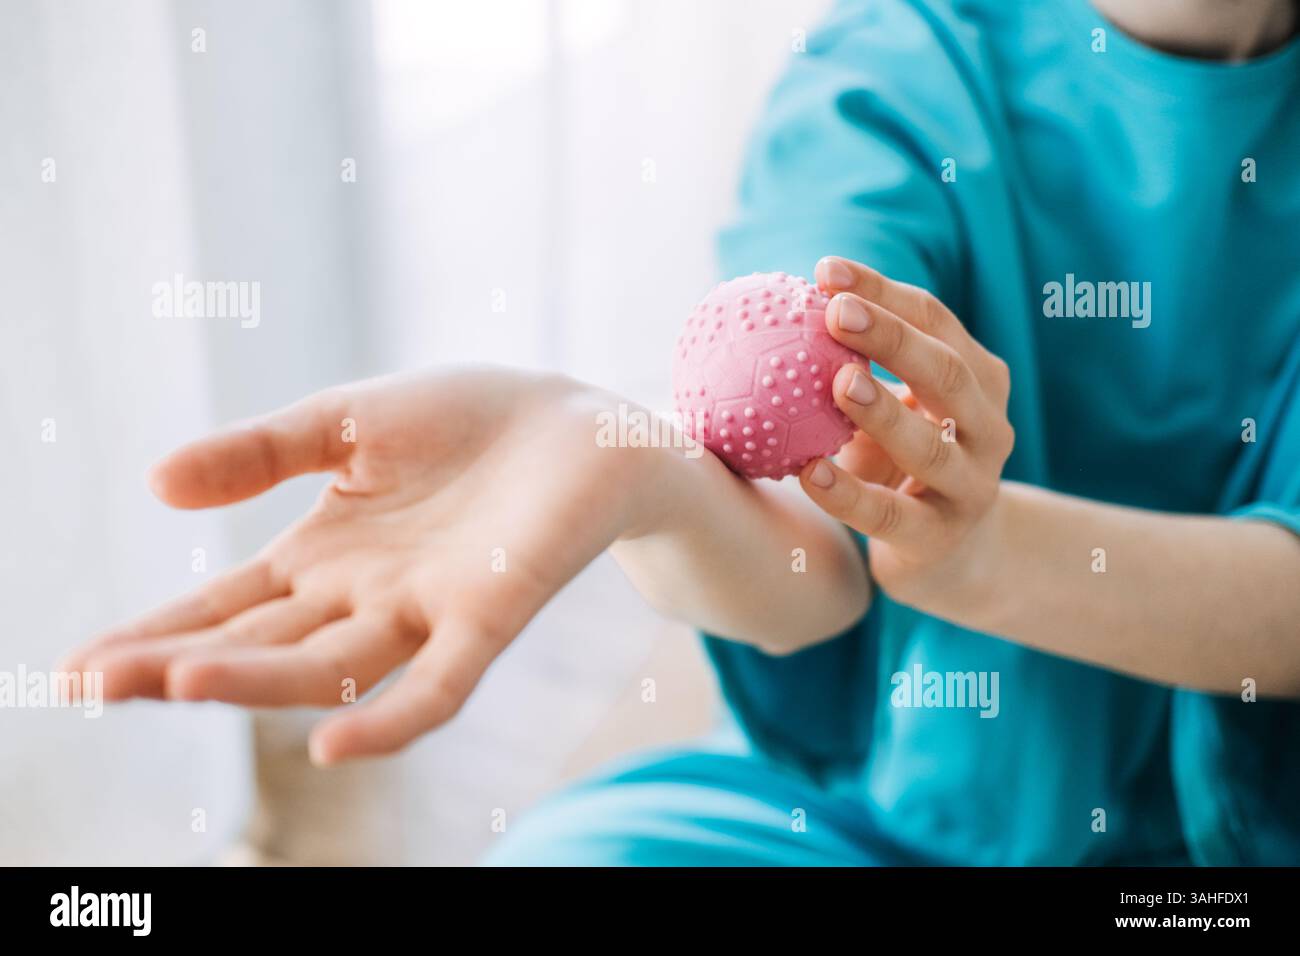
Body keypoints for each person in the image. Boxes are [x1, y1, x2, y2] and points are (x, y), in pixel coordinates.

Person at [64, 0, 1300, 865]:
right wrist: (632, 469)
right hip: (892, 807)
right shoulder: (892, 72)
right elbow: (806, 563)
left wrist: (982, 555)